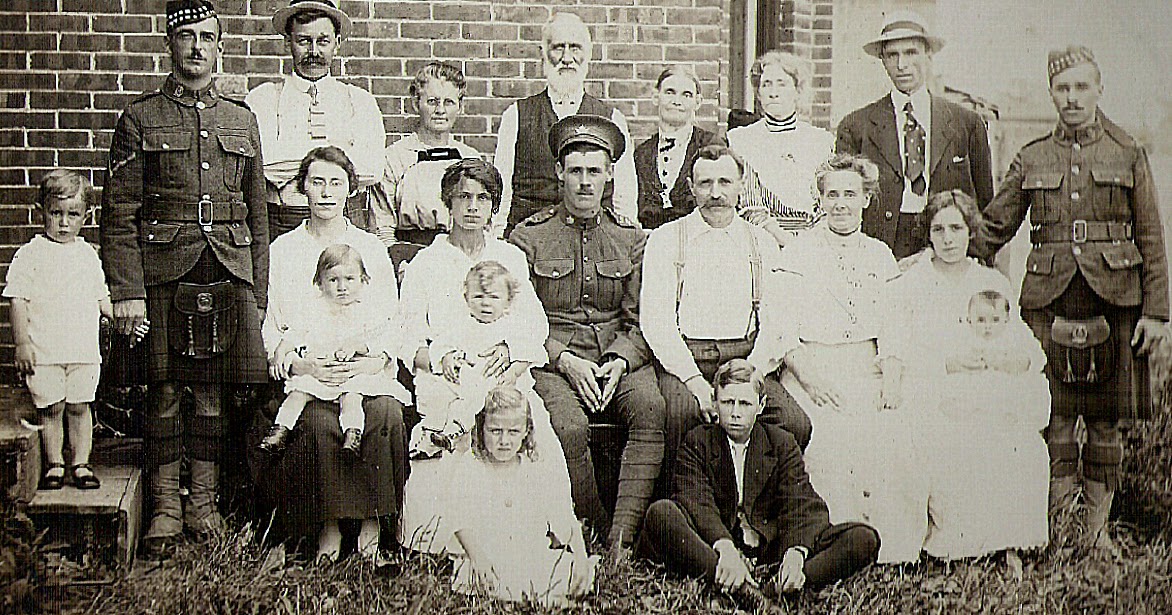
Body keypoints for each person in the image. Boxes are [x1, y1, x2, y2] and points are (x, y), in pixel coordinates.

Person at [970, 46, 1168, 552]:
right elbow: (995, 225)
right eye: (1063, 88)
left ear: (1099, 88)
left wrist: (1157, 313)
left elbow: (1151, 236)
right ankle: (1057, 531)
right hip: (1047, 297)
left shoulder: (1127, 151)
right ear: (1051, 93)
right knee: (1051, 416)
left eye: (1082, 87)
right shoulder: (1032, 156)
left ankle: (1096, 532)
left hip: (1115, 299)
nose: (1072, 97)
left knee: (1105, 420)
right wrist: (943, 261)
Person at [100, 0, 269, 556]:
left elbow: (257, 214)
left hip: (227, 264)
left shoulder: (242, 119)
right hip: (164, 268)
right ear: (168, 45)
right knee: (166, 391)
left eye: (208, 38)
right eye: (186, 37)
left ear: (220, 47)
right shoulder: (140, 118)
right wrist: (127, 293)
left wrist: (258, 295)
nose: (197, 47)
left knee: (215, 394)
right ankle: (166, 507)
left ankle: (205, 504)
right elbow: (120, 213)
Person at [510, 115, 667, 549]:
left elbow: (639, 319)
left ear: (610, 175)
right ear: (559, 172)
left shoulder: (631, 238)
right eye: (575, 170)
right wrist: (563, 358)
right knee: (569, 427)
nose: (584, 182)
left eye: (594, 171)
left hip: (617, 357)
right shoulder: (528, 237)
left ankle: (621, 538)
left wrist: (619, 361)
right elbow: (522, 318)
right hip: (553, 361)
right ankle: (592, 527)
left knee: (651, 409)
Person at [397, 159, 562, 553]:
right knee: (451, 429)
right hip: (447, 380)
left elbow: (535, 326)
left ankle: (528, 535)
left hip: (504, 377)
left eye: (483, 198)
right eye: (463, 197)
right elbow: (404, 335)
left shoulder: (511, 257)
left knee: (528, 423)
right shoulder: (427, 264)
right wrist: (439, 359)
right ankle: (447, 543)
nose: (472, 207)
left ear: (493, 206)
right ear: (447, 204)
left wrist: (512, 355)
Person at [256, 146, 408, 562]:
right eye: (317, 182)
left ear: (350, 190)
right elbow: (274, 323)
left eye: (336, 183)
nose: (326, 193)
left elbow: (390, 319)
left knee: (384, 415)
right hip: (311, 367)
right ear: (301, 186)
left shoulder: (370, 247)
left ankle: (375, 527)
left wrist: (375, 358)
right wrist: (298, 363)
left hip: (363, 367)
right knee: (321, 423)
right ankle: (329, 527)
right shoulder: (284, 250)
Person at [776, 154, 928, 564]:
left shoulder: (879, 255)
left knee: (895, 432)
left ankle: (889, 545)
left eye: (850, 194)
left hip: (869, 367)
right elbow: (781, 327)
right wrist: (809, 378)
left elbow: (895, 326)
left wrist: (892, 377)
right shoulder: (797, 252)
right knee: (827, 436)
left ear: (866, 199)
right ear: (820, 200)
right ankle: (832, 544)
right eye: (831, 195)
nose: (840, 203)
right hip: (814, 368)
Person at [638, 360, 879, 614]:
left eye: (745, 404)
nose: (735, 412)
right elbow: (697, 502)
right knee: (661, 514)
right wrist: (725, 548)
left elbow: (802, 502)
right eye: (728, 402)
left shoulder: (780, 442)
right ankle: (745, 592)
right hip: (718, 547)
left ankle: (779, 586)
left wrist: (796, 553)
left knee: (863, 538)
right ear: (715, 402)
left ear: (761, 406)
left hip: (769, 548)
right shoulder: (698, 441)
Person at [885, 191, 1050, 560]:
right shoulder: (912, 283)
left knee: (1018, 442)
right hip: (935, 385)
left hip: (988, 386)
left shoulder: (990, 282)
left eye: (956, 228)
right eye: (939, 229)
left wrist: (1015, 362)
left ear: (969, 231)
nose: (948, 238)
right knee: (953, 440)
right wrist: (949, 364)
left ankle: (1008, 542)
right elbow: (898, 348)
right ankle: (959, 544)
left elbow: (1025, 345)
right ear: (928, 233)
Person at [640, 144, 811, 497]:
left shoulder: (761, 242)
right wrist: (695, 382)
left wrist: (751, 375)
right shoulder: (667, 239)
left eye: (724, 182)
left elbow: (775, 322)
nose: (715, 193)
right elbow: (657, 322)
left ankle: (758, 508)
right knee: (681, 416)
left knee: (794, 423)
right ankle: (684, 514)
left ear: (740, 184)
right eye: (705, 183)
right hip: (687, 361)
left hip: (744, 361)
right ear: (691, 186)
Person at [835, 11, 993, 260]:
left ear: (928, 55)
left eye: (911, 52)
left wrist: (982, 263)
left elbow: (984, 203)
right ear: (882, 61)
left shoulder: (967, 123)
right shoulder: (856, 126)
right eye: (892, 55)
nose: (901, 65)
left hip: (945, 246)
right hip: (884, 248)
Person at [5, 171, 117, 491]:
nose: (64, 223)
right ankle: (55, 462)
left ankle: (80, 462)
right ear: (42, 211)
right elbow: (17, 299)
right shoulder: (30, 254)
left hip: (82, 349)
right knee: (52, 407)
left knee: (80, 406)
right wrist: (22, 343)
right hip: (45, 350)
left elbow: (101, 298)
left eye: (73, 214)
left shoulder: (87, 255)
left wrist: (122, 318)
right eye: (56, 213)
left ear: (86, 216)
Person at [447, 387, 598, 606]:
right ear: (481, 428)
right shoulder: (472, 466)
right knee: (489, 577)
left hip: (529, 554)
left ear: (526, 431)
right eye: (495, 431)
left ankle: (550, 592)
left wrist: (581, 557)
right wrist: (478, 557)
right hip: (486, 558)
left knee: (570, 569)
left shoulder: (534, 468)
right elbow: (460, 520)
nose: (504, 441)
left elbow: (563, 516)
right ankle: (546, 599)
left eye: (513, 432)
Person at [492, 12, 639, 236]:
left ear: (588, 55)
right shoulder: (516, 115)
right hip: (530, 240)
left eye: (575, 48)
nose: (567, 58)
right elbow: (501, 192)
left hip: (594, 240)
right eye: (559, 47)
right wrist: (498, 240)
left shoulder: (612, 118)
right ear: (544, 54)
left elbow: (624, 197)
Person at [245, 0, 384, 237]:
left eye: (323, 41)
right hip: (283, 218)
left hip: (346, 218)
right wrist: (338, 160)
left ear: (337, 44)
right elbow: (264, 166)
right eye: (303, 41)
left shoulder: (359, 101)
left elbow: (372, 169)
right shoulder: (263, 99)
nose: (314, 52)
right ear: (288, 42)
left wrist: (293, 162)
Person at [260, 245, 405, 457]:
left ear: (364, 280)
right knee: (297, 394)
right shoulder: (314, 310)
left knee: (352, 397)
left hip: (350, 373)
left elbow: (380, 338)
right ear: (319, 283)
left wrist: (358, 346)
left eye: (349, 279)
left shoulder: (368, 311)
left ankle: (352, 433)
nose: (342, 287)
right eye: (333, 280)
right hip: (319, 373)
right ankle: (281, 430)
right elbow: (294, 335)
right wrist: (279, 354)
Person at [408, 261, 542, 459]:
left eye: (494, 297)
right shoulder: (462, 324)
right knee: (437, 391)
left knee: (478, 399)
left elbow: (532, 352)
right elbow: (442, 345)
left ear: (508, 301)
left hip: (496, 382)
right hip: (464, 379)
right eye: (478, 297)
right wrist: (446, 358)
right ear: (467, 298)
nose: (485, 303)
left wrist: (513, 371)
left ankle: (454, 432)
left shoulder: (512, 327)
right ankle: (430, 435)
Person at [727, 51, 835, 246]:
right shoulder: (742, 140)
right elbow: (751, 207)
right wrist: (788, 243)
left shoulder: (821, 141)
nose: (773, 92)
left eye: (782, 84)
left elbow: (826, 202)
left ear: (797, 90)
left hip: (815, 241)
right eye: (766, 84)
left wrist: (810, 242)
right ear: (758, 94)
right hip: (763, 239)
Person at [370, 62, 481, 247]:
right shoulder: (393, 158)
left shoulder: (470, 157)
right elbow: (383, 229)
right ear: (416, 104)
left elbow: (484, 225)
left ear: (460, 107)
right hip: (410, 257)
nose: (440, 111)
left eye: (449, 102)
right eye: (432, 102)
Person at [634, 65, 724, 230]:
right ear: (656, 97)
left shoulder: (711, 145)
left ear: (697, 102)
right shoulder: (642, 153)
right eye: (670, 92)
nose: (677, 101)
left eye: (686, 95)